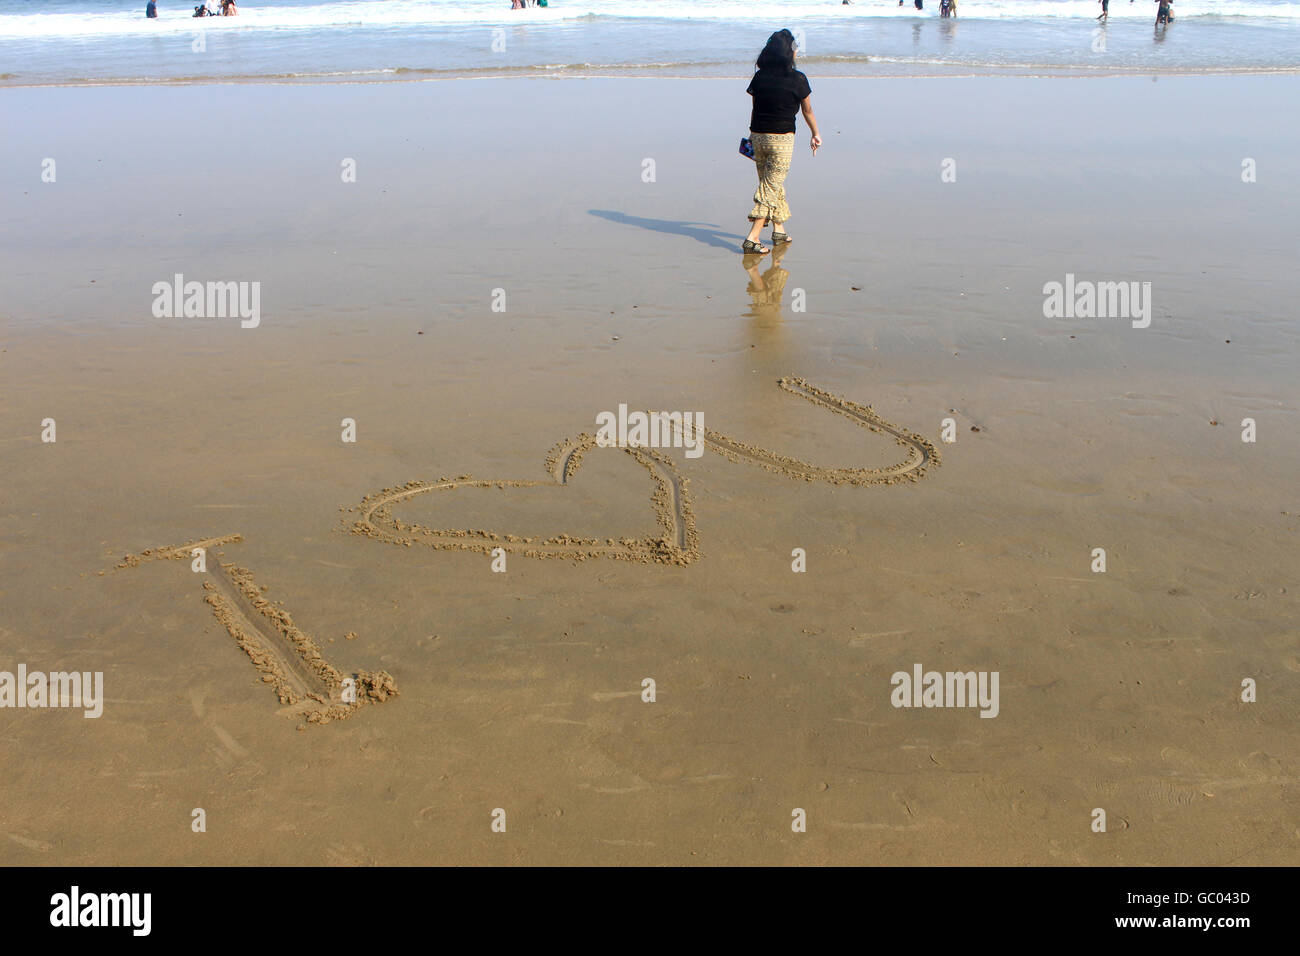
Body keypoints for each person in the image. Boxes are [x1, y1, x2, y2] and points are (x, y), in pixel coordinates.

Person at [742, 29, 822, 255]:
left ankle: (778, 229)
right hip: (782, 139)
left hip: (758, 135)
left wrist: (751, 134)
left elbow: (755, 107)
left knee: (771, 183)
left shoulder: (759, 77)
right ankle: (753, 237)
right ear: (789, 53)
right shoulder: (798, 79)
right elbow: (808, 110)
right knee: (770, 186)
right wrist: (815, 133)